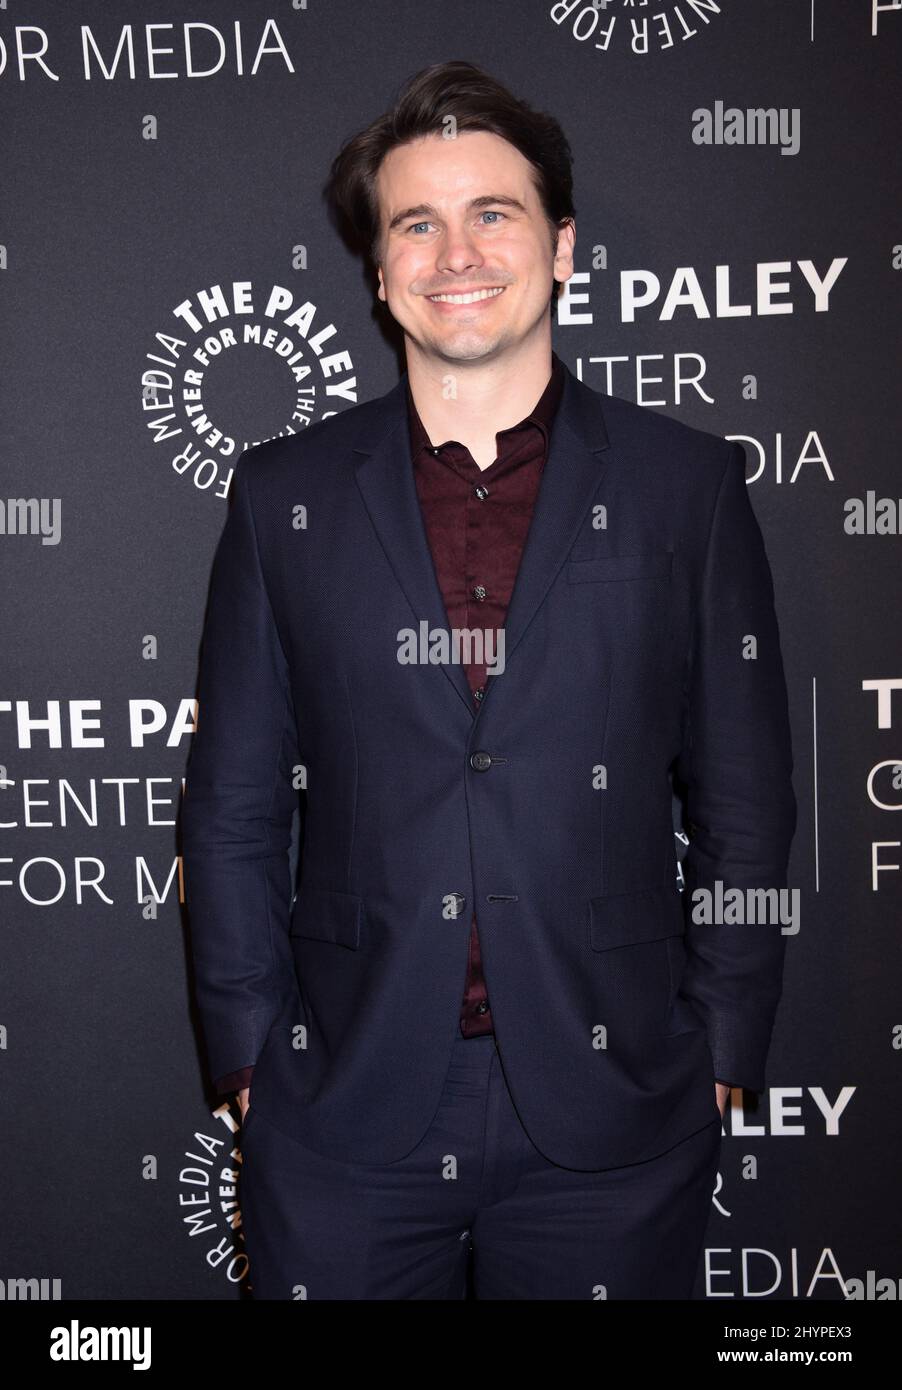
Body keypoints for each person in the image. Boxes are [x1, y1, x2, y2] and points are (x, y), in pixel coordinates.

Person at [181, 60, 796, 1300]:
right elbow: (234, 806)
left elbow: (745, 795)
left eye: (492, 214)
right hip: (345, 1099)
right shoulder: (282, 497)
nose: (453, 251)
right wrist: (248, 1052)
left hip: (614, 1106)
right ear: (377, 267)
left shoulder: (688, 487)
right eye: (416, 221)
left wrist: (723, 1032)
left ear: (562, 247)